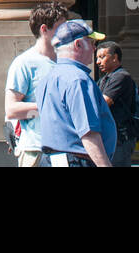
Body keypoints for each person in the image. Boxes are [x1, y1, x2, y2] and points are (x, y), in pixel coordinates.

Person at [36, 19, 114, 167]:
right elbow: (89, 134)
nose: (94, 48)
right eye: (91, 43)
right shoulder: (78, 80)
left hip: (52, 160)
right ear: (78, 45)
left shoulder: (48, 79)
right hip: (75, 161)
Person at [4, 2, 70, 167]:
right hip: (36, 150)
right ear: (44, 29)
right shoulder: (24, 63)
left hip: (66, 149)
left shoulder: (67, 61)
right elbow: (12, 110)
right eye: (61, 27)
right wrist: (49, 107)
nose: (66, 32)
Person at [95, 41, 139, 167]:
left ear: (114, 58)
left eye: (102, 57)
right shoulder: (105, 79)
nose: (98, 62)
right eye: (97, 58)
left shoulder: (121, 77)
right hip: (111, 136)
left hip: (120, 138)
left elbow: (103, 104)